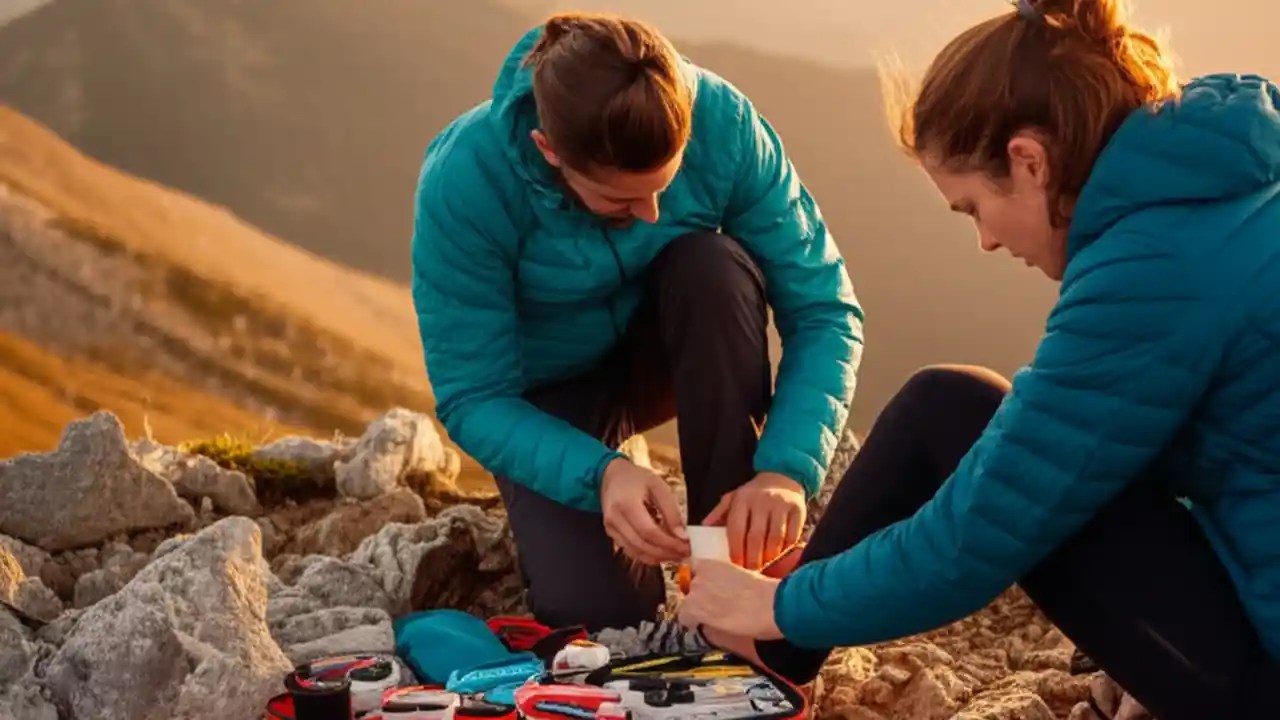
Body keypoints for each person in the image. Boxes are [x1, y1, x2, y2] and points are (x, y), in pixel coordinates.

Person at [676, 0, 1280, 718]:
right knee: (953, 403)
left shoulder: (1153, 269)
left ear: (1029, 160)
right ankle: (779, 651)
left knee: (957, 422)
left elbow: (973, 536)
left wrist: (782, 605)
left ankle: (770, 647)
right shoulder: (1228, 191)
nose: (986, 241)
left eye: (971, 207)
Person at [410, 12, 864, 633]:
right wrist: (600, 474)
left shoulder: (725, 124)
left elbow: (825, 309)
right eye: (622, 200)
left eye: (665, 187)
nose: (651, 213)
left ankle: (727, 560)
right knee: (600, 617)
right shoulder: (466, 180)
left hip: (667, 352)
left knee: (715, 265)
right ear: (549, 151)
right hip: (547, 397)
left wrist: (786, 469)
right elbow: (473, 396)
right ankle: (612, 487)